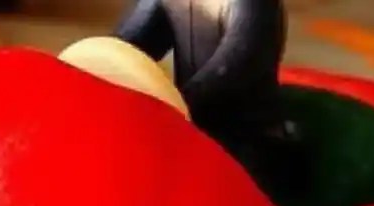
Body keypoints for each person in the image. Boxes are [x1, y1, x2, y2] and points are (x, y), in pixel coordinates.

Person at [113, 0, 297, 177]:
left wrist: (174, 105)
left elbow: (237, 65)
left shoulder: (256, 5)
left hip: (247, 140)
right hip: (191, 128)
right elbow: (127, 47)